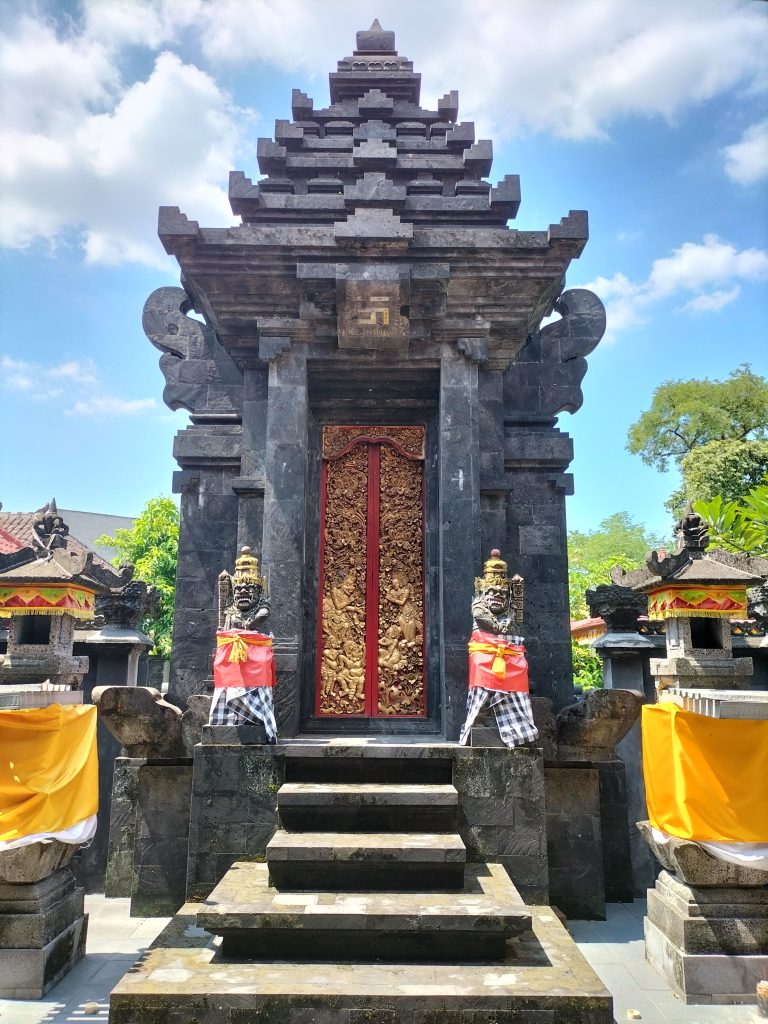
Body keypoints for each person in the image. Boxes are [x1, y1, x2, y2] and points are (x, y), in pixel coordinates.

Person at [459, 549, 538, 748]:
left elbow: (515, 622)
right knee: (482, 676)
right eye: (491, 592)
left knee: (518, 671)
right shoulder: (478, 606)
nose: (496, 596)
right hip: (483, 655)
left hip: (509, 655)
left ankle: (513, 722)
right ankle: (482, 715)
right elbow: (485, 621)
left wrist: (517, 594)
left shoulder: (509, 611)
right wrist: (498, 627)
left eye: (501, 593)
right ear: (482, 593)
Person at [209, 547, 277, 743]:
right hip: (231, 657)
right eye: (238, 590)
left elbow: (263, 612)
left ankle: (255, 716)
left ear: (258, 592)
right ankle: (229, 719)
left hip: (255, 657)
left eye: (249, 590)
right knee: (229, 686)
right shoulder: (230, 612)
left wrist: (250, 623)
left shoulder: (260, 610)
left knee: (255, 682)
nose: (243, 593)